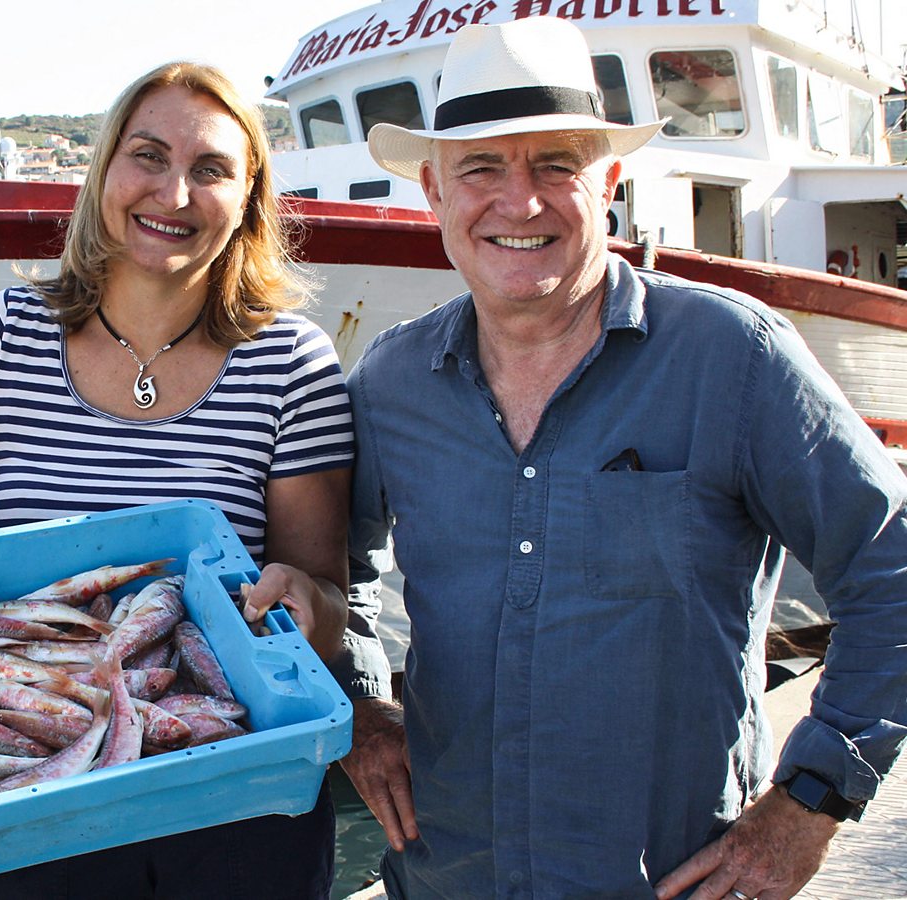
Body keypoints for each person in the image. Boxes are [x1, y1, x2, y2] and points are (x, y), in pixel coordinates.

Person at [340, 15, 907, 899]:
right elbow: (344, 564)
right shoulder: (391, 378)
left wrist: (812, 798)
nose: (519, 203)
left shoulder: (733, 356)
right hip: (446, 877)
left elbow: (892, 565)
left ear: (608, 180)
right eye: (480, 166)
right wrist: (365, 708)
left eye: (555, 164)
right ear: (432, 190)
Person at [0, 61, 388, 898]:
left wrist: (300, 604)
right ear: (105, 170)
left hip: (237, 801)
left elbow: (325, 596)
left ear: (249, 199)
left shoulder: (291, 363)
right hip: (44, 791)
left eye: (211, 169)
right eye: (148, 155)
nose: (174, 192)